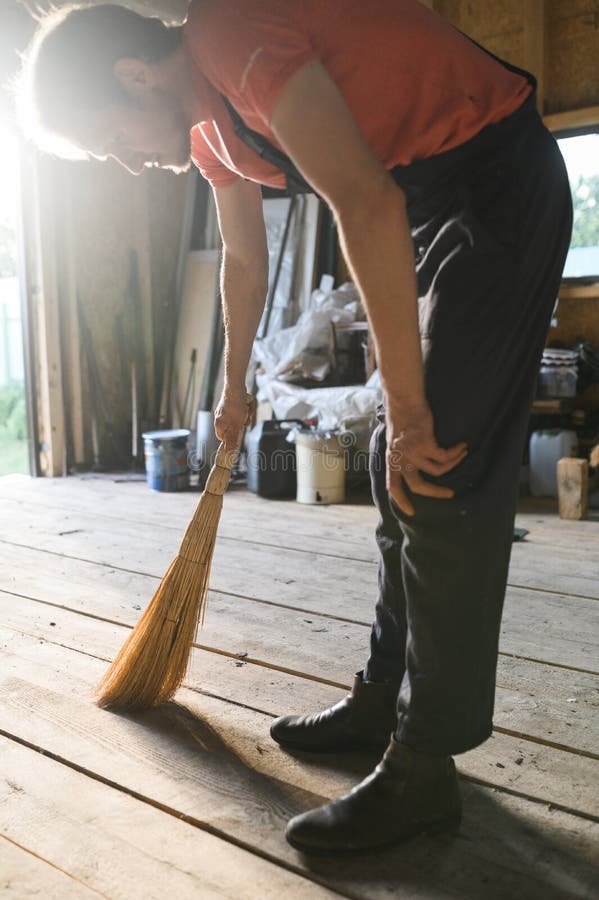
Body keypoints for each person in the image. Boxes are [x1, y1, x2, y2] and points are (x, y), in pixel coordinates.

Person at [21, 0, 572, 856]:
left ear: (135, 77)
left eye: (110, 142)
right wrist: (233, 385)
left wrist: (411, 397)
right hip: (427, 204)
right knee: (396, 455)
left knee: (438, 466)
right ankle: (382, 695)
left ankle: (425, 765)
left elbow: (361, 198)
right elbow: (244, 260)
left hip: (497, 186)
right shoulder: (208, 131)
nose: (126, 164)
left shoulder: (230, 36)